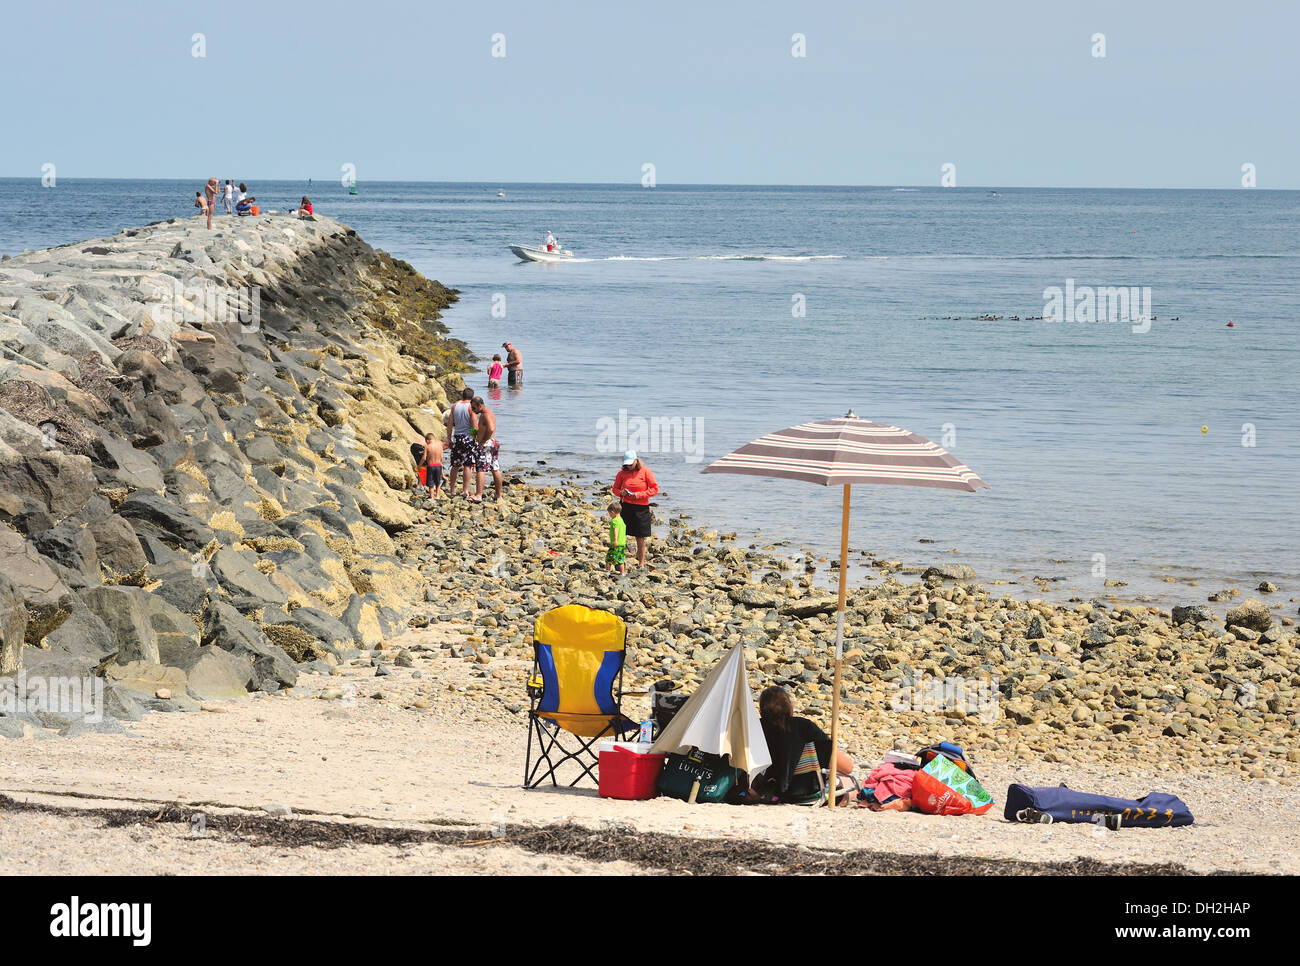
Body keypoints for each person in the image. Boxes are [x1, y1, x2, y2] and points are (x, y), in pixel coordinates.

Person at [748, 686, 856, 805]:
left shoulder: (757, 728)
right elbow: (847, 767)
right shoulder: (804, 727)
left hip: (774, 793)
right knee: (847, 782)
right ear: (789, 707)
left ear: (761, 711)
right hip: (811, 794)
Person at [610, 450, 657, 568]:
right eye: (627, 465)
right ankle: (619, 560)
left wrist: (638, 495)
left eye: (631, 464)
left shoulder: (646, 472)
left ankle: (641, 563)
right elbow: (614, 489)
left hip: (641, 508)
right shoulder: (621, 473)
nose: (629, 467)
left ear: (636, 461)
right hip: (625, 507)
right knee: (621, 534)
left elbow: (655, 489)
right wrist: (621, 493)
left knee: (640, 537)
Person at [444, 387, 477, 499]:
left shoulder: (454, 406)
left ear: (462, 396)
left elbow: (449, 424)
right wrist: (475, 439)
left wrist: (449, 439)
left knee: (455, 465)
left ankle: (452, 489)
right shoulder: (471, 408)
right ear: (472, 398)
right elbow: (474, 426)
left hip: (457, 437)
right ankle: (465, 490)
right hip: (467, 438)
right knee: (467, 465)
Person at [471, 395, 497, 502]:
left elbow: (491, 429)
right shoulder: (489, 413)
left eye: (474, 408)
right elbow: (488, 429)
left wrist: (483, 441)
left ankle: (479, 495)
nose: (473, 410)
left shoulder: (485, 414)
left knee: (480, 468)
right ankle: (498, 495)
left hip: (486, 444)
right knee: (495, 468)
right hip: (492, 443)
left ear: (480, 405)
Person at [606, 501, 627, 575]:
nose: (610, 515)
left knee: (609, 558)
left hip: (615, 543)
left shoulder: (614, 521)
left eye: (609, 514)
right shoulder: (621, 520)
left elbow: (616, 530)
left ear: (612, 512)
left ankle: (607, 572)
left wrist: (615, 540)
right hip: (622, 543)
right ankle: (622, 573)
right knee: (621, 559)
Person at [423, 432, 444, 498]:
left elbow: (424, 458)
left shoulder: (427, 446)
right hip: (438, 466)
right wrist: (442, 473)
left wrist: (420, 465)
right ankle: (437, 496)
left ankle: (431, 497)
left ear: (427, 440)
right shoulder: (440, 447)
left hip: (431, 466)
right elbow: (441, 459)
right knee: (438, 482)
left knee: (431, 483)